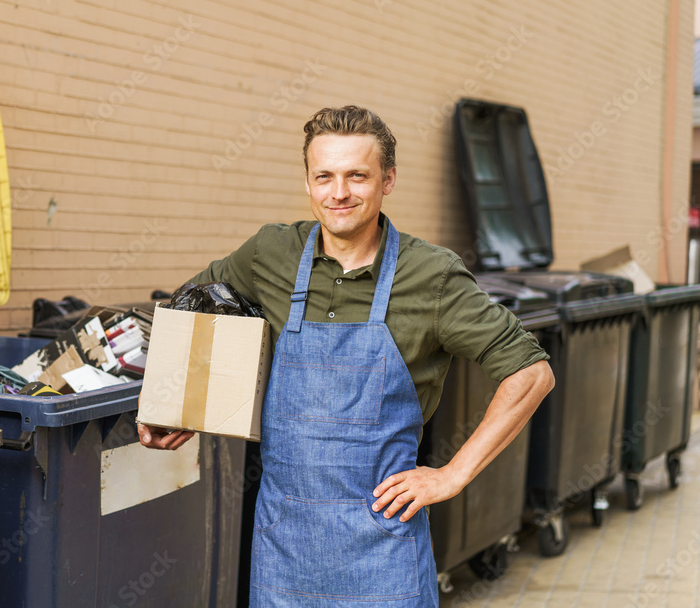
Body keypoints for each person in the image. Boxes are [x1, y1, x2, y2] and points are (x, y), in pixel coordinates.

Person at [137, 105, 555, 607]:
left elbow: (531, 372)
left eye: (357, 175)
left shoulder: (432, 276)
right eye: (324, 176)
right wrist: (185, 407)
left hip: (383, 552)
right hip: (282, 548)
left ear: (388, 180)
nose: (339, 193)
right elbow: (195, 311)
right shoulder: (271, 253)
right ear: (308, 182)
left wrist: (452, 474)